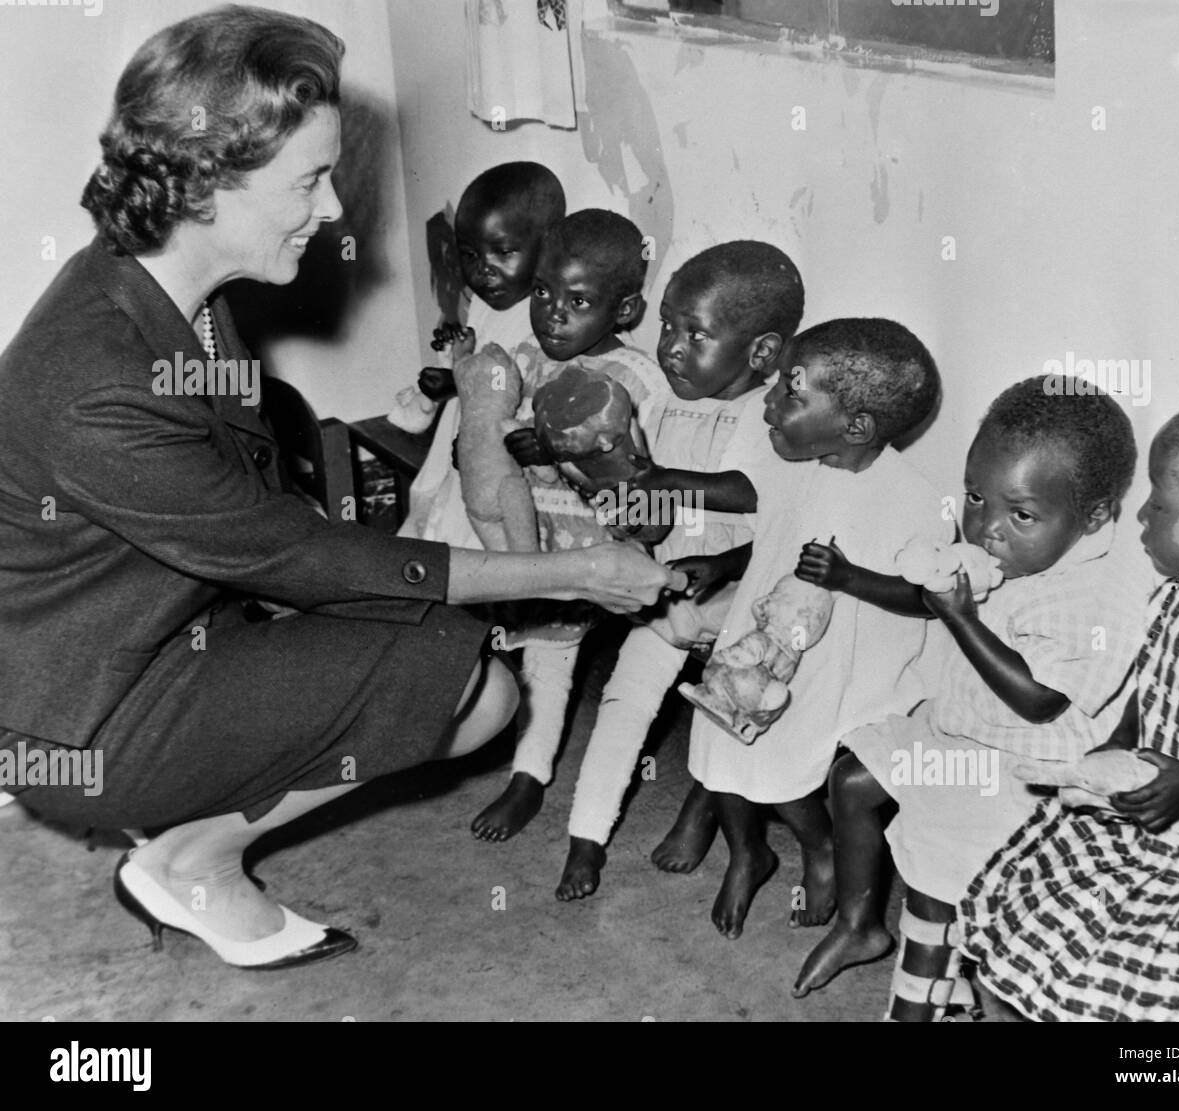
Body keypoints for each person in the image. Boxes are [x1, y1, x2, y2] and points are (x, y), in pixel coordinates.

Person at [0, 6, 678, 972]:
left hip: (155, 629)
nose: (335, 214)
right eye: (311, 182)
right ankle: (194, 859)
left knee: (444, 652)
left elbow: (263, 511)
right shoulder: (98, 379)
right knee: (473, 691)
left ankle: (188, 824)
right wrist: (575, 572)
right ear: (204, 187)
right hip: (88, 714)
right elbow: (294, 555)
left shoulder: (165, 295)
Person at [793, 377, 1146, 1017]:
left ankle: (921, 998)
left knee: (935, 889)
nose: (987, 528)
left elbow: (1039, 700)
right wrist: (852, 578)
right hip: (955, 727)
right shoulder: (992, 539)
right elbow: (928, 596)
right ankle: (859, 924)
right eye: (977, 496)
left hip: (1021, 766)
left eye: (1022, 515)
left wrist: (962, 617)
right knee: (851, 781)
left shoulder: (1094, 597)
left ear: (1093, 516)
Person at [961, 393, 1179, 1021]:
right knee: (1042, 945)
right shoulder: (1178, 597)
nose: (1140, 516)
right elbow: (1156, 686)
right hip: (1133, 827)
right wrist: (1117, 742)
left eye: (1161, 505)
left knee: (1158, 1004)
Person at [657, 318, 951, 939]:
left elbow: (929, 600)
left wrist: (849, 578)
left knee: (783, 765)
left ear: (856, 426)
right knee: (717, 749)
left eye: (789, 393)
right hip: (757, 641)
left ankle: (816, 849)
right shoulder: (794, 464)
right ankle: (748, 854)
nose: (767, 400)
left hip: (838, 662)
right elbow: (776, 542)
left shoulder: (912, 499)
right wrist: (724, 563)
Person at [555, 241, 804, 901]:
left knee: (733, 706)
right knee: (622, 701)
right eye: (667, 325)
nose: (670, 347)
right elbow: (648, 503)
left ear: (760, 353)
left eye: (696, 334)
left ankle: (703, 803)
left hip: (742, 603)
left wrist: (717, 558)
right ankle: (586, 837)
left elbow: (758, 504)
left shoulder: (774, 416)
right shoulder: (662, 400)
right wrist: (618, 499)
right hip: (668, 595)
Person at [468, 209, 670, 842]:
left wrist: (561, 452)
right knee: (544, 665)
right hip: (540, 543)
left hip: (606, 548)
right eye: (544, 293)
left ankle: (583, 804)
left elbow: (635, 476)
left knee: (601, 671)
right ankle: (528, 776)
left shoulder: (632, 377)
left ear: (626, 309)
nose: (553, 313)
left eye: (578, 301)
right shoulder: (528, 356)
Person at [393, 161, 565, 548]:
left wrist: (457, 381)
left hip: (501, 463)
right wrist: (453, 368)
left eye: (503, 252)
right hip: (463, 444)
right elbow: (475, 374)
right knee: (434, 524)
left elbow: (516, 389)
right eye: (470, 255)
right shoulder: (487, 304)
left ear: (549, 245)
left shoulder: (547, 319)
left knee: (478, 542)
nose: (484, 271)